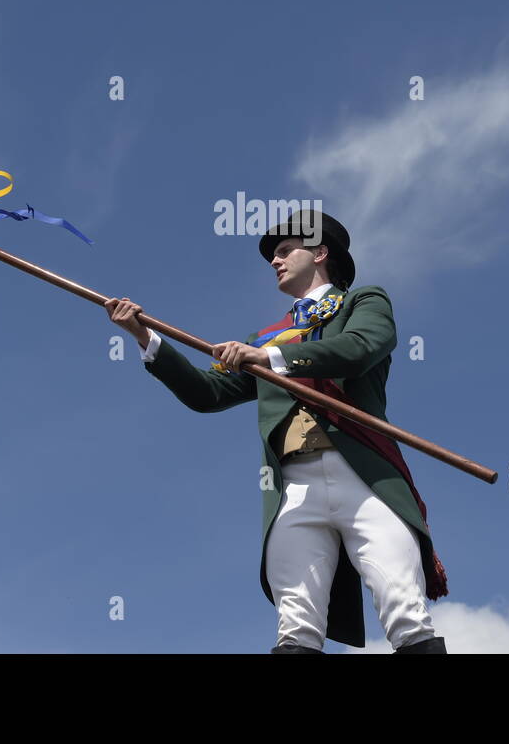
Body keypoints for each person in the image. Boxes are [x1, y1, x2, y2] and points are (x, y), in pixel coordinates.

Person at [104, 210, 447, 653]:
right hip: (294, 488)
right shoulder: (265, 337)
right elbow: (207, 394)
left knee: (406, 613)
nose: (275, 261)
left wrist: (270, 358)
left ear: (319, 253)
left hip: (365, 478)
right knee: (296, 628)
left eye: (285, 250)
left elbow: (361, 348)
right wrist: (145, 337)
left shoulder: (361, 302)